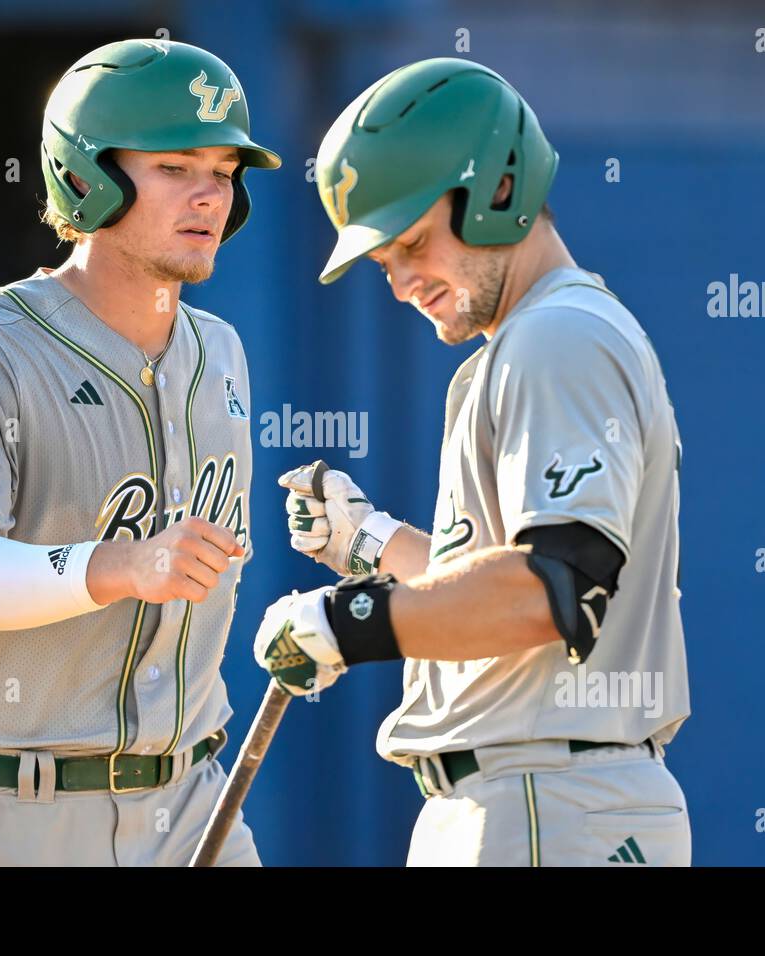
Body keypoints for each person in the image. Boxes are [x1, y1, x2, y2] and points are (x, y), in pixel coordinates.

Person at [253, 58, 692, 867]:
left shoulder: (556, 337)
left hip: (545, 804)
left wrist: (343, 622)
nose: (401, 282)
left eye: (412, 242)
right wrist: (374, 546)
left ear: (498, 189)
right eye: (385, 260)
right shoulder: (536, 340)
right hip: (542, 798)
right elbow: (507, 590)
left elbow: (555, 590)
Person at [0, 39, 279, 866]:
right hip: (16, 812)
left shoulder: (222, 352)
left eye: (225, 171)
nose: (210, 195)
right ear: (90, 177)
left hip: (195, 804)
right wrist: (120, 566)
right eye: (175, 166)